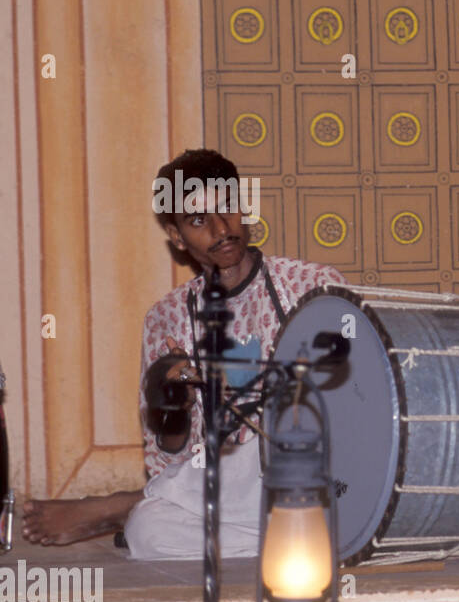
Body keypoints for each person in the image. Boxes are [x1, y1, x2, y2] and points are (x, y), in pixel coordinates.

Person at [22, 149, 345, 558]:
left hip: (319, 471)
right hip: (235, 497)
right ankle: (308, 540)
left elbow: (352, 400)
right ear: (177, 238)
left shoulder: (312, 286)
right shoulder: (167, 318)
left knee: (285, 430)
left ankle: (123, 503)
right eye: (198, 220)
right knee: (147, 531)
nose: (221, 228)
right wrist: (171, 403)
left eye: (227, 207)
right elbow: (169, 457)